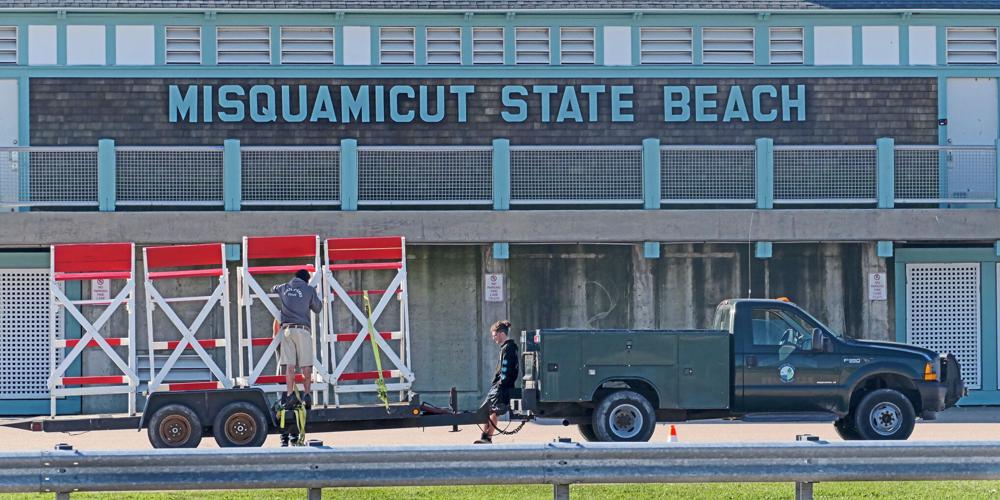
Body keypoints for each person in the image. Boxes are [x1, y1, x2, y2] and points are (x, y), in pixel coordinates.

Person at [271, 269, 322, 411]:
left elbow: (273, 288)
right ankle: (306, 394)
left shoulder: (284, 287)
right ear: (306, 279)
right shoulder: (309, 289)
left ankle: (289, 394)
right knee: (306, 365)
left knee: (289, 365)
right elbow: (318, 308)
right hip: (303, 330)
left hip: (287, 331)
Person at [475, 320, 519, 444]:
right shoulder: (506, 347)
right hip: (499, 385)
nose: (493, 338)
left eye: (494, 335)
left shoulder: (509, 348)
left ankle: (488, 437)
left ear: (501, 333)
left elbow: (506, 368)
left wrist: (502, 382)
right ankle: (484, 436)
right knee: (486, 410)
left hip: (502, 386)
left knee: (494, 411)